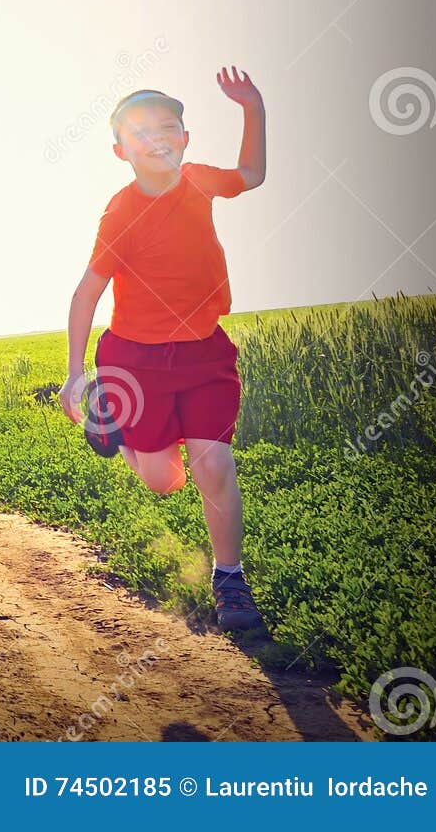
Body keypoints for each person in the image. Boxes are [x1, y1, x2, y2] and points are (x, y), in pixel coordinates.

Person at [59, 69, 268, 632]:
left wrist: (253, 107)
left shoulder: (199, 181)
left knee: (214, 465)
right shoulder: (121, 213)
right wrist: (76, 374)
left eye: (168, 126)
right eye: (141, 131)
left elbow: (252, 173)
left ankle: (229, 579)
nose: (157, 137)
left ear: (185, 137)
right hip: (136, 363)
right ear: (120, 150)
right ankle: (116, 418)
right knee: (164, 481)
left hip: (204, 356)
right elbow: (86, 294)